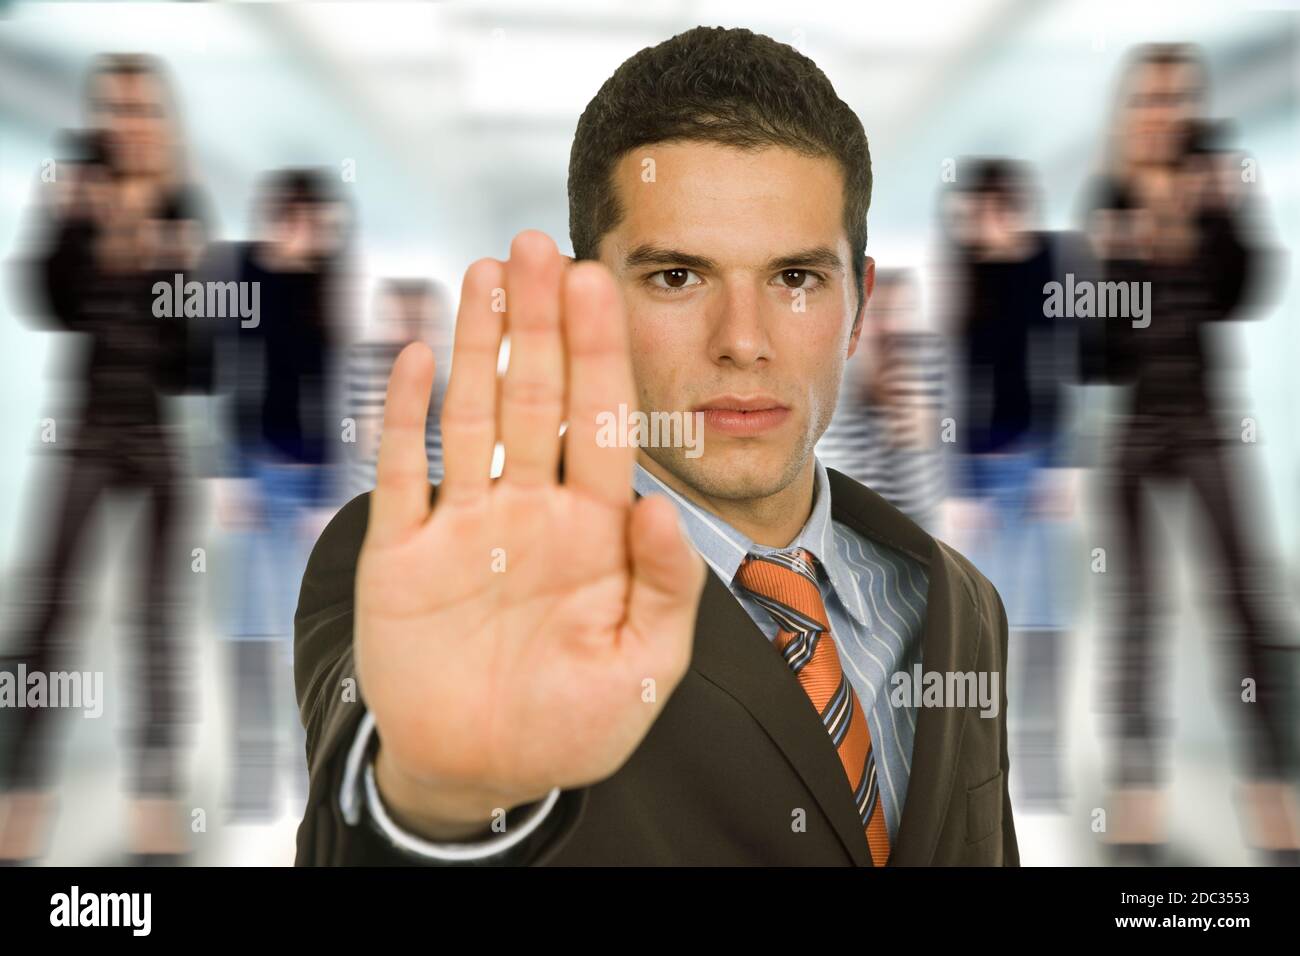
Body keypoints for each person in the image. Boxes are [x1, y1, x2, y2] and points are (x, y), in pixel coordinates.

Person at [294, 26, 1018, 866]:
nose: (743, 342)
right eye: (677, 276)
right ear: (583, 302)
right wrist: (440, 801)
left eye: (795, 279)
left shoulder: (960, 606)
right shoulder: (421, 566)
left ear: (858, 305)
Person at [1081, 43, 1299, 864]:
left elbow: (1245, 292)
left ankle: (1272, 792)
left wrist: (1229, 210)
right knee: (1136, 614)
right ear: (1133, 108)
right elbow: (1095, 357)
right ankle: (1138, 796)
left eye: (1178, 98)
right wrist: (1110, 264)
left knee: (1246, 601)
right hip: (1137, 423)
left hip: (1209, 415)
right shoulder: (1107, 192)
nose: (1165, 113)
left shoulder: (1214, 175)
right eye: (1152, 99)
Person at [0, 53, 209, 864]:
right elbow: (48, 304)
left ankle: (154, 814)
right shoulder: (77, 186)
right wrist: (64, 221)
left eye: (140, 108)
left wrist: (181, 271)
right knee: (47, 617)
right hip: (83, 426)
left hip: (154, 433)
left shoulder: (182, 200)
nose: (126, 123)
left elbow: (193, 366)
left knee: (157, 623)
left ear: (158, 118)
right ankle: (19, 808)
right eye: (114, 108)